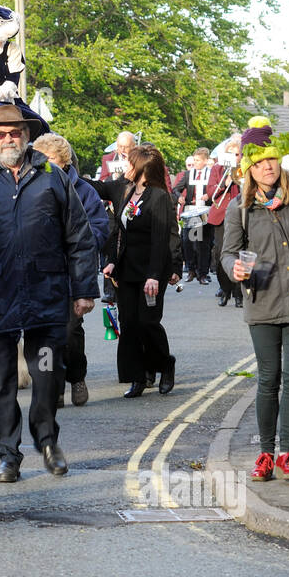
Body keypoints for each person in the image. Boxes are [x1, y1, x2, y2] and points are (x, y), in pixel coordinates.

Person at [0, 104, 99, 483]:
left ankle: (47, 442)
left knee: (47, 374)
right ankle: (8, 456)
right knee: (0, 382)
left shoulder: (53, 178)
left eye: (14, 132)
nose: (8, 139)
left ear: (26, 135)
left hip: (47, 298)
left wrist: (83, 289)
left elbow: (79, 237)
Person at [221, 118, 289, 482]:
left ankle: (288, 455)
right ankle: (264, 452)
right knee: (268, 378)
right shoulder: (240, 207)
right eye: (260, 162)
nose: (268, 166)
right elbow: (228, 253)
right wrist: (236, 269)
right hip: (262, 303)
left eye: (273, 160)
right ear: (249, 168)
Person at [33, 133, 108, 407]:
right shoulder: (31, 186)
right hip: (38, 275)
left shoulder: (84, 191)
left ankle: (76, 376)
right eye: (40, 159)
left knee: (69, 332)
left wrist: (76, 243)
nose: (44, 165)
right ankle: (50, 383)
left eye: (50, 160)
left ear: (64, 163)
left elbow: (100, 229)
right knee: (41, 334)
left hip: (70, 273)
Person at [104, 144, 179, 397]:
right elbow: (120, 232)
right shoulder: (126, 190)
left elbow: (160, 241)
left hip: (150, 271)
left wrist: (154, 276)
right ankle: (138, 377)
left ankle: (165, 364)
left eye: (130, 163)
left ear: (141, 169)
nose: (125, 166)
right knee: (129, 324)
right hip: (127, 270)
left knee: (147, 322)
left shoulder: (159, 197)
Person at [206, 135, 243, 307]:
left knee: (238, 253)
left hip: (239, 214)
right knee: (221, 254)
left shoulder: (244, 168)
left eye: (237, 154)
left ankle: (238, 294)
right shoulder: (217, 169)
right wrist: (224, 183)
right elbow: (211, 190)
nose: (234, 157)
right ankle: (225, 289)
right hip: (220, 215)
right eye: (231, 154)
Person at [173, 147, 214, 284]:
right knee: (189, 242)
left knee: (203, 243)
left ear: (205, 161)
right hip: (191, 210)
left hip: (205, 210)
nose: (195, 162)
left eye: (198, 160)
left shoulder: (211, 174)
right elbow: (176, 189)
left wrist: (209, 196)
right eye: (194, 160)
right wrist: (179, 197)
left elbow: (217, 190)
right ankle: (191, 270)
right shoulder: (188, 174)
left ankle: (202, 274)